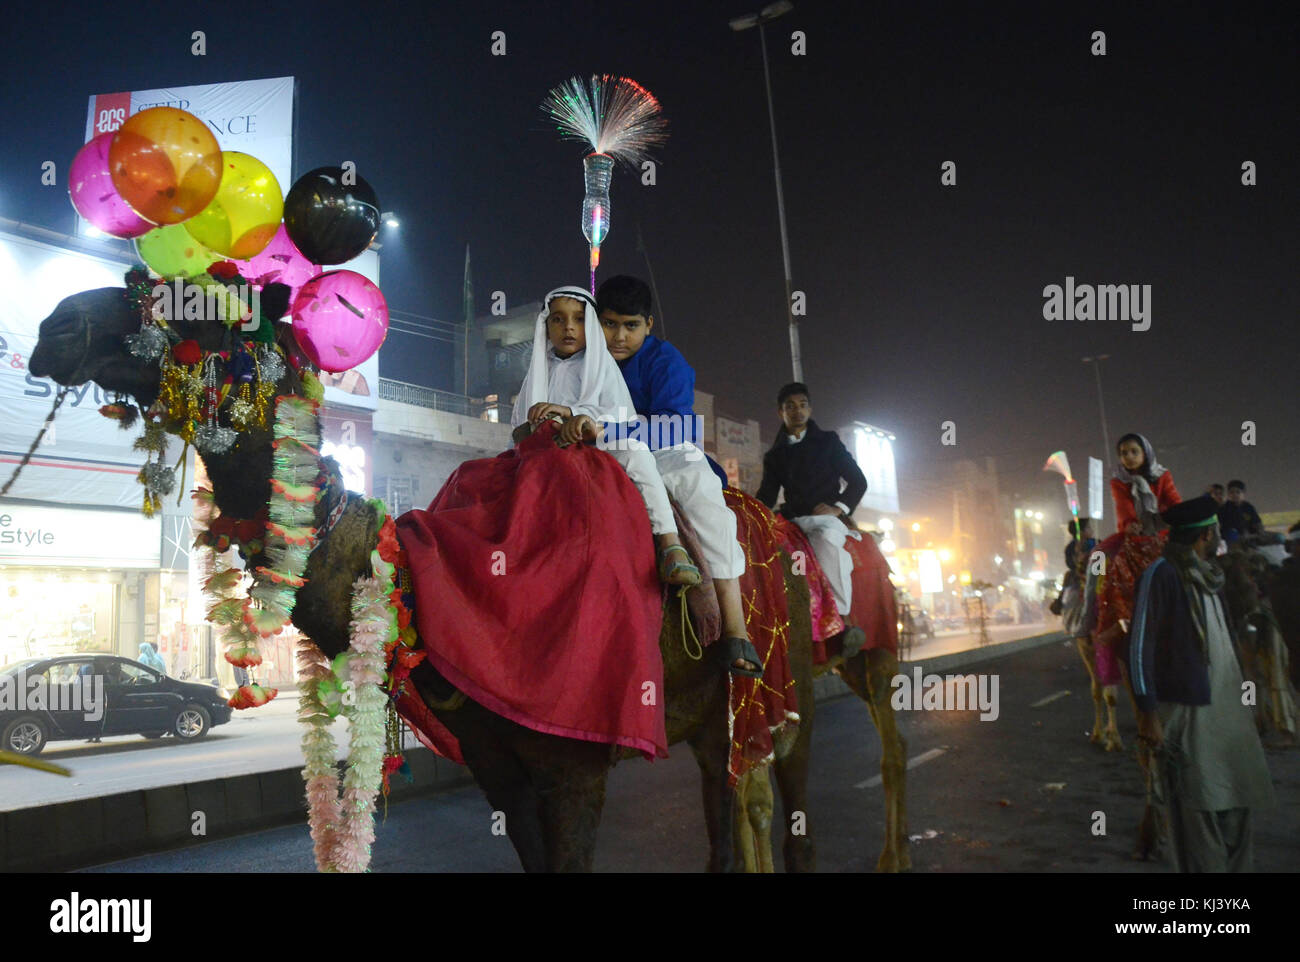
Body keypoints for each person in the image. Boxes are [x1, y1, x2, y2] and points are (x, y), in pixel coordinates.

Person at [596, 275, 760, 676]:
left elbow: (673, 428)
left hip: (666, 452)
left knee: (706, 501)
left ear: (648, 325)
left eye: (630, 326)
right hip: (603, 456)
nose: (619, 336)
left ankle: (736, 628)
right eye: (609, 323)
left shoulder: (666, 361)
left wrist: (610, 432)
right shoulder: (586, 361)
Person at [511, 285, 699, 586]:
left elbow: (620, 415)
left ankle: (669, 542)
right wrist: (538, 426)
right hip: (546, 452)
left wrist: (576, 416)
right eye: (558, 320)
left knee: (634, 450)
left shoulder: (602, 365)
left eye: (579, 319)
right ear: (546, 326)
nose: (569, 327)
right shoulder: (537, 370)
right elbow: (518, 426)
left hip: (597, 445)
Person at [1129, 495, 1275, 871]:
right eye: (1213, 532)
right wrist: (1148, 715)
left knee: (1237, 801)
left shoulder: (1211, 577)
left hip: (1227, 712)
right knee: (1197, 808)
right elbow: (1139, 645)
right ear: (1205, 535)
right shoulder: (1160, 574)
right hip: (1189, 711)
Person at [756, 383, 868, 657]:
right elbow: (767, 495)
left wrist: (837, 509)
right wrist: (747, 511)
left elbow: (858, 481)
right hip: (792, 520)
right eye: (790, 406)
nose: (798, 411)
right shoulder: (775, 455)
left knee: (827, 542)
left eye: (803, 404)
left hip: (825, 520)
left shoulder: (828, 442)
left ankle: (842, 621)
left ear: (810, 408)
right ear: (780, 412)